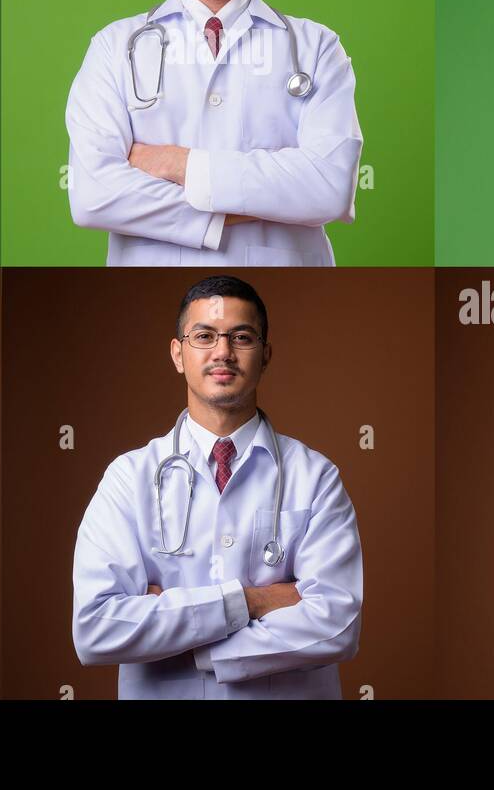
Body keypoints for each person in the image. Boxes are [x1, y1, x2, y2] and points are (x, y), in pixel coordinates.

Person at [65, 0, 363, 266]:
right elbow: (94, 196)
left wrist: (177, 163)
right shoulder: (114, 47)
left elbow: (329, 188)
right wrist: (263, 196)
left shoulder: (317, 48)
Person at [72, 275, 363, 699]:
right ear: (178, 353)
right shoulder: (127, 477)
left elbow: (338, 625)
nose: (222, 352)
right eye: (204, 336)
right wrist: (253, 601)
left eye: (241, 337)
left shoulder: (315, 477)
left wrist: (173, 628)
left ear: (266, 355)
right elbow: (96, 628)